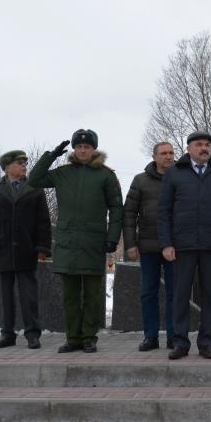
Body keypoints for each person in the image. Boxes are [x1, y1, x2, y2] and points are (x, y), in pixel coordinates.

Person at [28, 129, 123, 354]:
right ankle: (73, 339)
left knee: (92, 295)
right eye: (79, 147)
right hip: (67, 243)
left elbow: (116, 208)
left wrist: (112, 238)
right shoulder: (62, 173)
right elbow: (34, 180)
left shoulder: (105, 175)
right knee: (70, 296)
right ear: (74, 149)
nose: (82, 150)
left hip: (93, 242)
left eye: (87, 147)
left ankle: (89, 337)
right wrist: (50, 156)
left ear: (93, 149)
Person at [158, 131, 211, 360]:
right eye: (199, 144)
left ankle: (206, 342)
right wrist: (166, 243)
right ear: (189, 148)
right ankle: (180, 342)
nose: (204, 148)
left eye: (207, 144)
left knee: (209, 297)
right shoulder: (175, 173)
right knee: (180, 296)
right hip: (182, 246)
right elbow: (163, 211)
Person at [0, 150, 51, 349]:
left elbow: (43, 222)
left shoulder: (34, 189)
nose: (24, 166)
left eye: (25, 163)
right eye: (20, 163)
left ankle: (32, 334)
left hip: (27, 250)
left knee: (29, 296)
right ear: (7, 167)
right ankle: (7, 334)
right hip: (2, 251)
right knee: (5, 297)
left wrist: (42, 247)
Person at [123, 141, 177, 351]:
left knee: (175, 293)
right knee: (148, 293)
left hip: (174, 247)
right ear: (154, 156)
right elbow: (129, 214)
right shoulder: (140, 180)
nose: (169, 156)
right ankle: (150, 337)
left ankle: (174, 336)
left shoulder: (181, 178)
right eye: (164, 153)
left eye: (171, 153)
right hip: (147, 246)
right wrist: (130, 244)